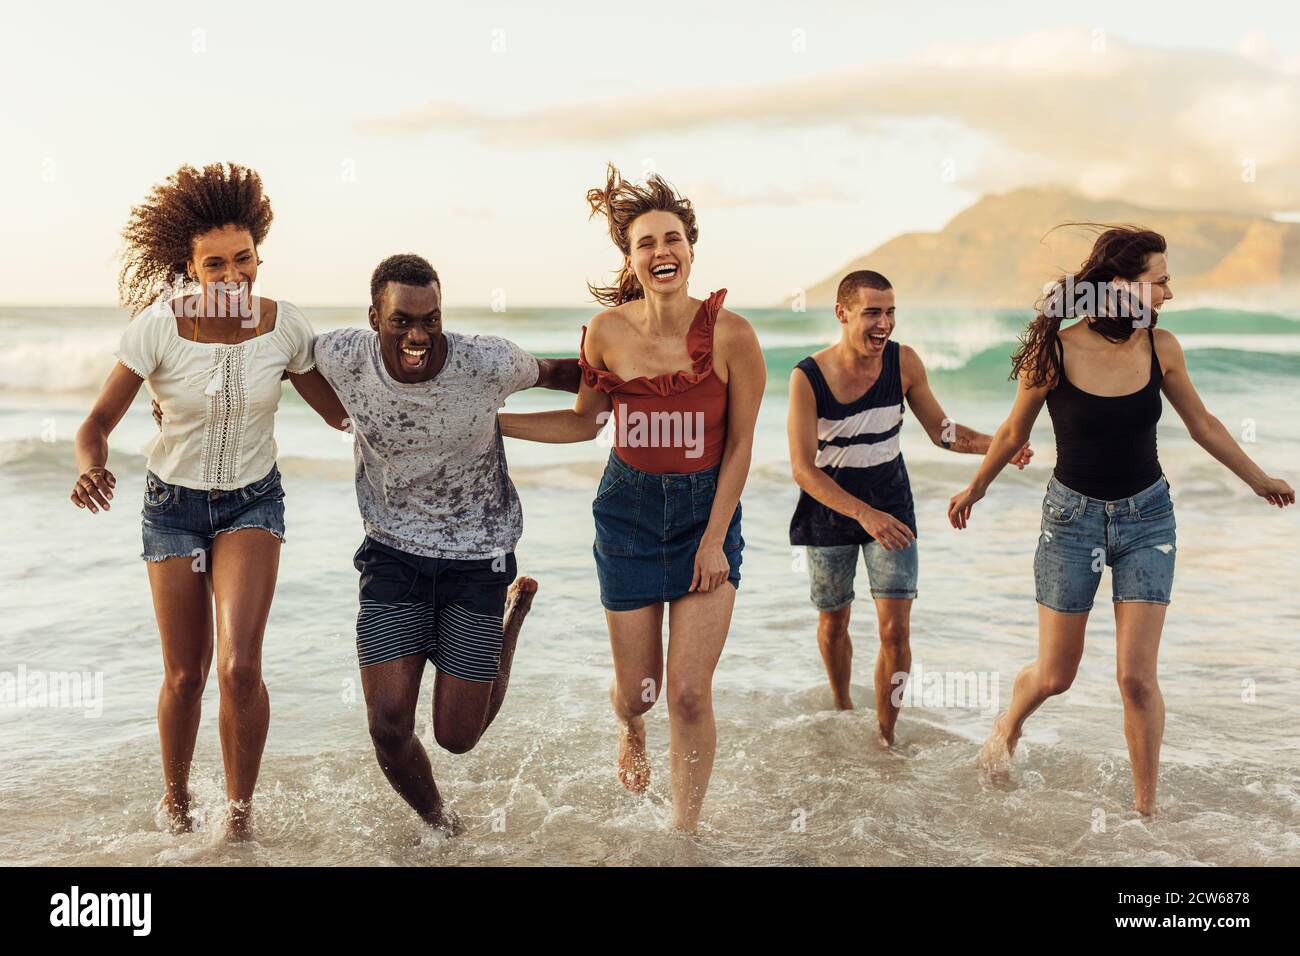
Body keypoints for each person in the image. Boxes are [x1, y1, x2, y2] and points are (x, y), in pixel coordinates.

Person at [948, 226, 1295, 814]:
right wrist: (977, 485)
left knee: (1136, 678)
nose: (1168, 294)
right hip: (1071, 521)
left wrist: (1258, 478)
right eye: (1159, 282)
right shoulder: (1054, 349)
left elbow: (1202, 424)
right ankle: (1010, 722)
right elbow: (1013, 432)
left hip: (1148, 519)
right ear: (1118, 285)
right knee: (1057, 675)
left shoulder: (1161, 347)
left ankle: (1144, 811)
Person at [70, 163, 348, 840]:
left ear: (259, 256)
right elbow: (95, 424)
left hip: (252, 504)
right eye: (215, 263)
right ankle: (175, 802)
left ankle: (239, 817)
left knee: (240, 665)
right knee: (186, 674)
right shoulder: (158, 330)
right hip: (172, 507)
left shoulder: (286, 328)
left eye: (244, 259)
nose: (232, 276)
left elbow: (341, 416)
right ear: (191, 267)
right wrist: (91, 467)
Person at [499, 165, 766, 832]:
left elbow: (739, 448)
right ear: (631, 258)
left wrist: (712, 541)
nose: (661, 252)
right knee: (641, 692)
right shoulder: (606, 333)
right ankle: (631, 730)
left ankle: (684, 833)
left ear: (691, 248)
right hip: (628, 510)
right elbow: (586, 423)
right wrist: (492, 425)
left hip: (709, 513)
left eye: (672, 239)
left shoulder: (734, 335)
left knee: (686, 692)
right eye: (646, 243)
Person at [311, 253, 578, 834]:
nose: (417, 335)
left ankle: (511, 617)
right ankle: (439, 821)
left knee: (458, 738)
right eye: (402, 320)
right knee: (388, 724)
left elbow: (561, 371)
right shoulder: (340, 353)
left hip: (478, 557)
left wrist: (647, 381)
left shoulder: (486, 361)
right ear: (374, 317)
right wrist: (175, 398)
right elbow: (272, 357)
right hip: (391, 552)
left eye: (430, 320)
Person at [788, 270, 1032, 744]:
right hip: (828, 513)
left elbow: (942, 431)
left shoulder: (904, 363)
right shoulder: (808, 376)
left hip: (893, 507)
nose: (885, 324)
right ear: (842, 314)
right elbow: (803, 470)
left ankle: (885, 735)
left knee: (895, 630)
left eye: (891, 312)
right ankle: (841, 706)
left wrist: (997, 446)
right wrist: (864, 514)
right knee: (833, 621)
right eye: (872, 313)